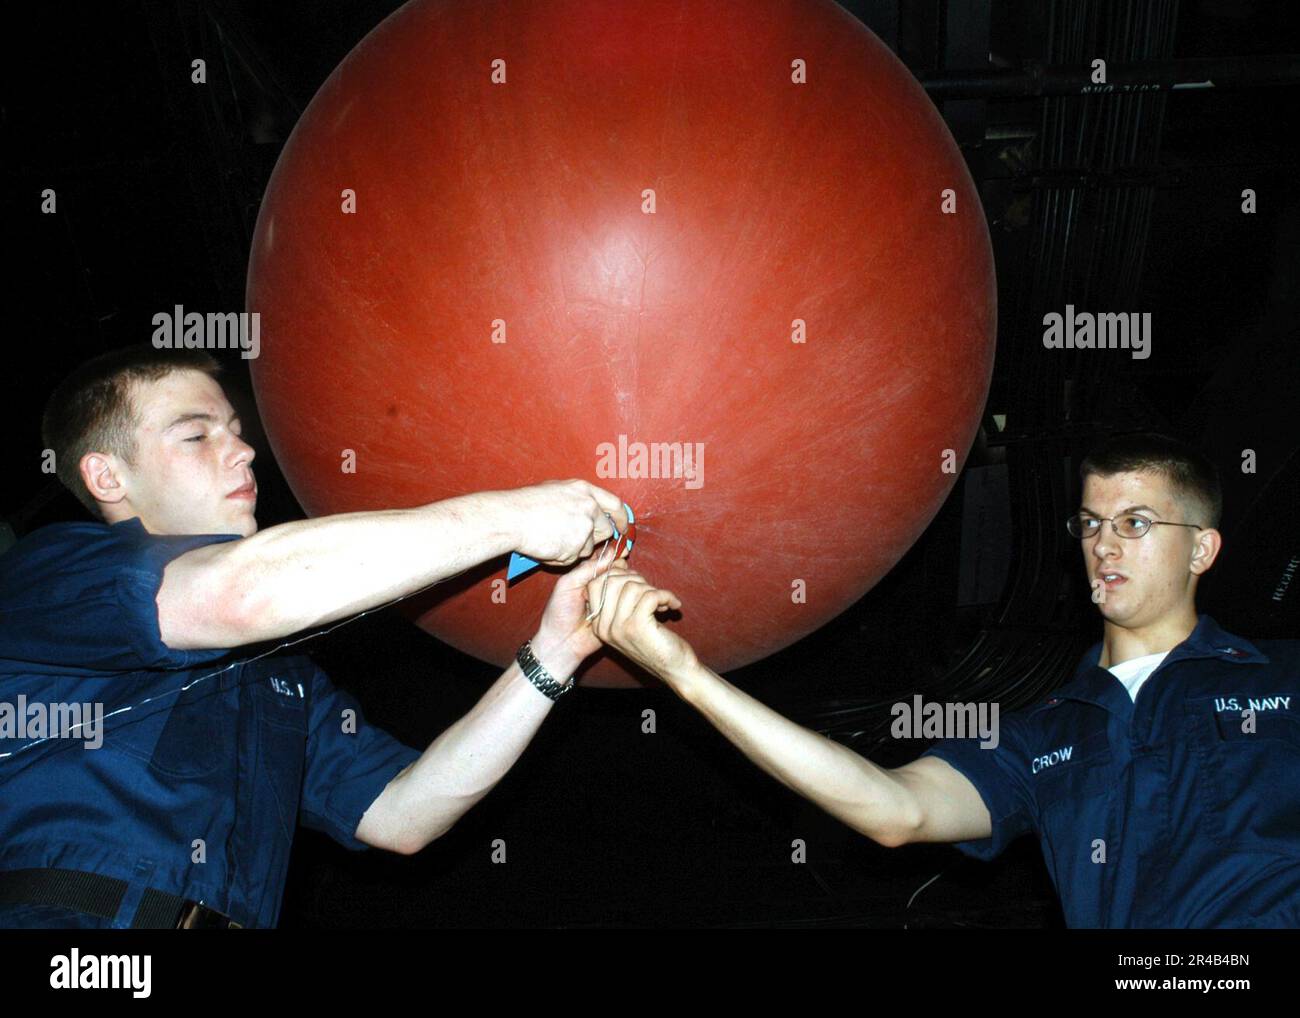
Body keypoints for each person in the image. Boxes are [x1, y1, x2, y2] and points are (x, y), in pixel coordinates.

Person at [0, 344, 628, 929]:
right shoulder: (46, 571)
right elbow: (239, 594)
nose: (242, 451)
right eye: (196, 435)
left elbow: (404, 814)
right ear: (108, 478)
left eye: (237, 432)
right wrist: (513, 515)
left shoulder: (281, 678)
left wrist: (554, 652)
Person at [582, 433, 1300, 928]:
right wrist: (687, 676)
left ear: (1201, 548)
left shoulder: (1284, 678)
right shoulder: (1044, 734)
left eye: (1136, 523)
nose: (1104, 543)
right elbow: (895, 809)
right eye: (1089, 522)